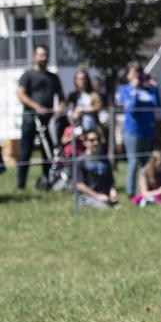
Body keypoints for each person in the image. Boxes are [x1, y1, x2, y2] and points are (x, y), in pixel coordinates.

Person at [15, 44, 66, 190]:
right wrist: (37, 107)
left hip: (48, 121)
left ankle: (47, 182)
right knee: (26, 152)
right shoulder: (28, 75)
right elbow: (21, 94)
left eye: (45, 55)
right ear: (34, 56)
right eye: (40, 55)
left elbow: (62, 98)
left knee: (48, 152)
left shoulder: (53, 77)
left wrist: (59, 108)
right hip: (31, 120)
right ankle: (21, 185)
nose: (43, 58)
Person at [116, 61, 160, 197]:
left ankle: (145, 190)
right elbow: (132, 109)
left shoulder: (147, 90)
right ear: (128, 75)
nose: (136, 76)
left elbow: (157, 105)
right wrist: (134, 91)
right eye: (133, 73)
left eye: (138, 73)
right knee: (133, 161)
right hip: (132, 132)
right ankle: (131, 193)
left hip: (148, 131)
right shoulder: (124, 90)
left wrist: (155, 88)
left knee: (146, 163)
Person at [75, 130, 118, 209]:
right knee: (105, 209)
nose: (96, 142)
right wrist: (97, 196)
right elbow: (79, 185)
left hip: (105, 197)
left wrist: (113, 192)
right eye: (92, 140)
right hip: (86, 198)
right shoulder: (80, 160)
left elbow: (110, 180)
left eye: (97, 139)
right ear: (85, 142)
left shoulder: (104, 159)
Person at [66, 69, 102, 136]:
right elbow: (69, 111)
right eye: (79, 79)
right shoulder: (72, 95)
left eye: (84, 79)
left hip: (92, 128)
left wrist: (82, 109)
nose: (82, 81)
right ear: (75, 80)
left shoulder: (93, 94)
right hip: (77, 129)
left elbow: (98, 107)